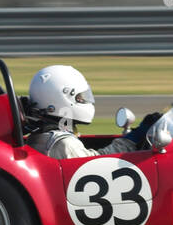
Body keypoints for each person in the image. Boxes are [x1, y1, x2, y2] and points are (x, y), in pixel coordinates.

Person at [25, 64, 161, 159]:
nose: (85, 100)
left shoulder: (42, 137)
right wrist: (134, 138)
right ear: (63, 97)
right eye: (80, 97)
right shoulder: (63, 143)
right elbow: (97, 164)